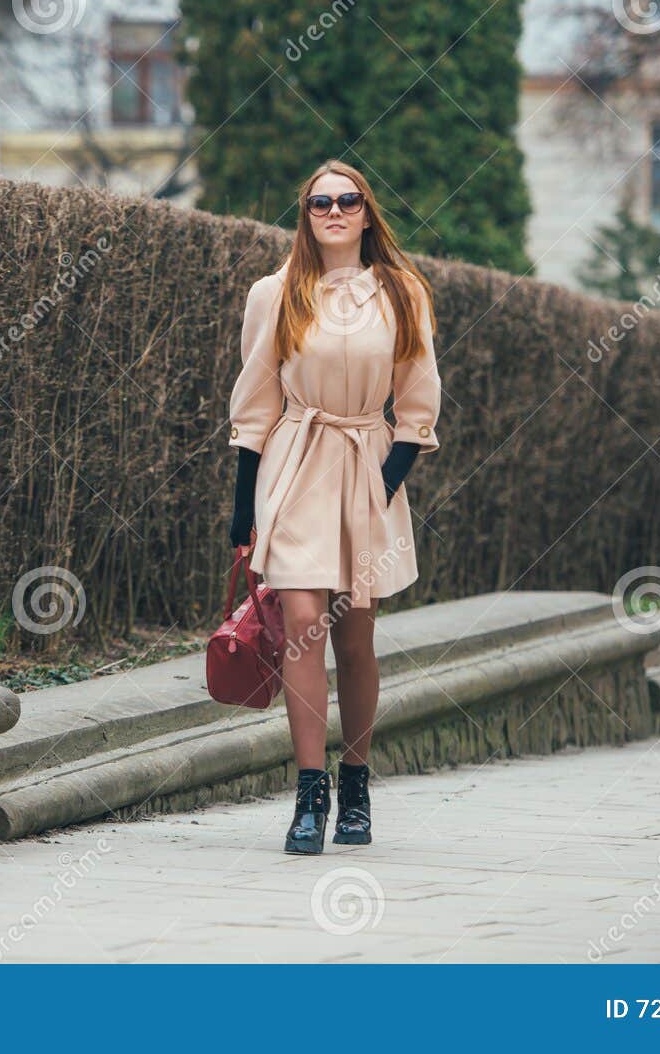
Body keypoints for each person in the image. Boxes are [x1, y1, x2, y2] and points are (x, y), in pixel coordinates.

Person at [226, 158, 442, 855]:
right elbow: (255, 404)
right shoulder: (275, 293)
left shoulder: (404, 293)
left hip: (366, 466)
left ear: (368, 211)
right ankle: (308, 794)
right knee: (303, 620)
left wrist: (383, 484)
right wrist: (242, 508)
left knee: (356, 634)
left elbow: (417, 405)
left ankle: (356, 781)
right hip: (293, 463)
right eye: (320, 201)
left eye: (348, 199)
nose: (335, 210)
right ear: (306, 213)